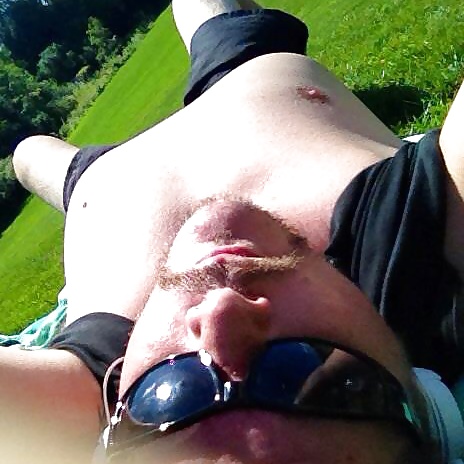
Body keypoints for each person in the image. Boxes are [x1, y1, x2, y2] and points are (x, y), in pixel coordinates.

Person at [4, 0, 464, 462]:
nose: (220, 310)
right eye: (319, 382)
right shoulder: (416, 261)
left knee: (26, 153)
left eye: (172, 397)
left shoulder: (94, 385)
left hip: (96, 182)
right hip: (238, 72)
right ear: (427, 407)